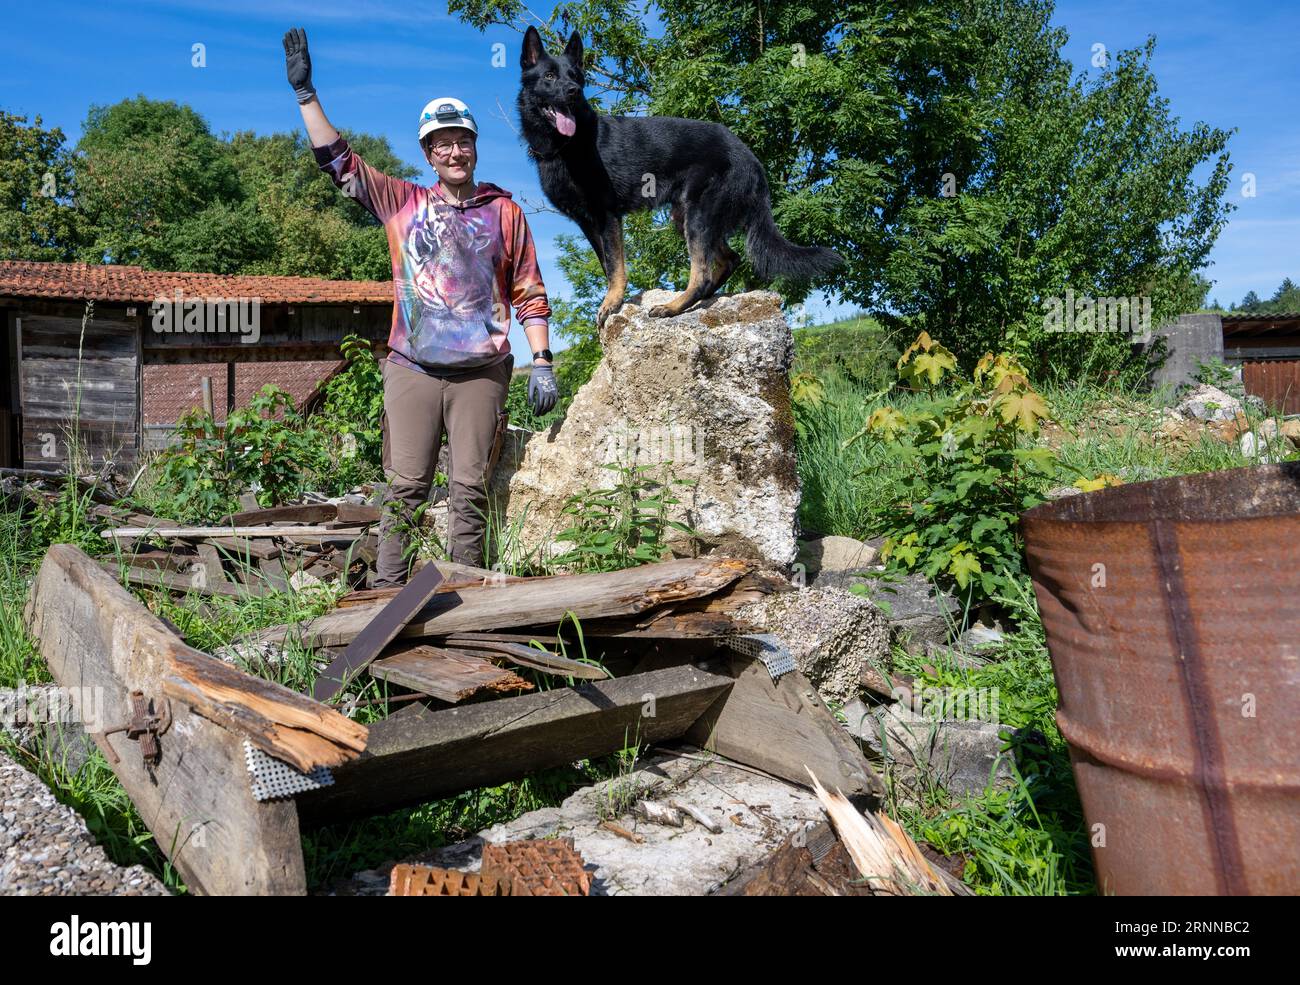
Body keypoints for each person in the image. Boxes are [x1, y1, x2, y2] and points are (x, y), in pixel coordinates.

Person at [283, 27, 559, 586]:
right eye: (442, 143)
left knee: (469, 489)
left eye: (463, 140)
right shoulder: (402, 202)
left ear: (475, 147)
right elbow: (340, 164)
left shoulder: (505, 213)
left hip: (481, 373)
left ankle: (465, 593)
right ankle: (387, 593)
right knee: (406, 486)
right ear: (429, 155)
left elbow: (528, 290)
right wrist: (307, 95)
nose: (454, 151)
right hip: (411, 368)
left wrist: (544, 361)